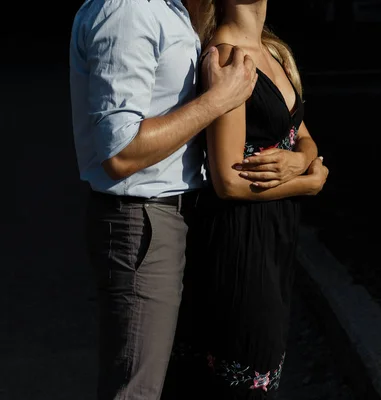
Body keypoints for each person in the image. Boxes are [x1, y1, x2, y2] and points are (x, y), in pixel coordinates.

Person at [69, 0, 317, 399]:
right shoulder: (130, 10)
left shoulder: (176, 12)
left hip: (182, 218)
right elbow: (120, 153)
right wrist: (220, 99)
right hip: (145, 217)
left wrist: (304, 157)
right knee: (137, 390)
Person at [187, 0, 329, 397]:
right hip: (241, 240)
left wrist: (301, 158)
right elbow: (226, 181)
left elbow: (301, 133)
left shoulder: (273, 51)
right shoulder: (229, 56)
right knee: (245, 378)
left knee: (265, 370)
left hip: (275, 236)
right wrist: (307, 182)